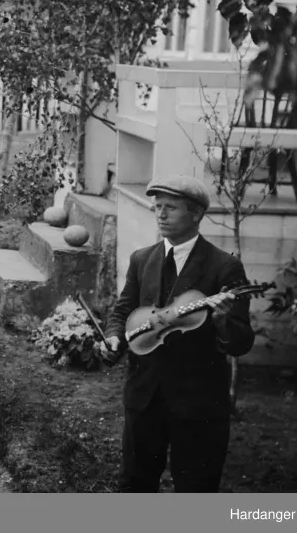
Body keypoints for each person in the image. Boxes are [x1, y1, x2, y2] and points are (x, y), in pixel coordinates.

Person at [95, 175, 252, 493]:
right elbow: (123, 311)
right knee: (135, 485)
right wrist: (114, 337)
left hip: (199, 403)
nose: (161, 215)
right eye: (158, 207)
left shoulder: (224, 267)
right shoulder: (142, 259)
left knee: (195, 489)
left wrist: (222, 322)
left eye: (171, 208)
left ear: (196, 214)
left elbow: (241, 341)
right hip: (144, 396)